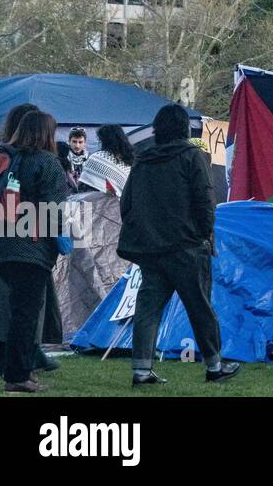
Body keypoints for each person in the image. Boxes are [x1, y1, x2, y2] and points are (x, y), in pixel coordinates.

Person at [117, 104, 240, 386]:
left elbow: (127, 204)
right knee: (200, 307)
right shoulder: (193, 156)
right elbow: (204, 200)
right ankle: (214, 365)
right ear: (184, 128)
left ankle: (141, 370)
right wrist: (205, 234)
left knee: (147, 309)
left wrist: (144, 231)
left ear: (157, 129)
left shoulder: (143, 160)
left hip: (150, 249)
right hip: (186, 247)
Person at [0, 110, 70, 394]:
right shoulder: (47, 162)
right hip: (30, 248)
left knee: (15, 312)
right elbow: (55, 211)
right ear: (46, 133)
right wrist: (60, 240)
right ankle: (18, 376)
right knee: (26, 315)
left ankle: (18, 371)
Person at [79, 124, 136, 196]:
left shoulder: (97, 157)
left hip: (97, 203)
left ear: (104, 140)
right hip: (121, 204)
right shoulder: (130, 160)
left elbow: (84, 183)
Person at [57, 128, 87, 193]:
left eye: (80, 142)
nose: (77, 146)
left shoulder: (89, 158)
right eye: (74, 142)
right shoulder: (62, 156)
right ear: (69, 142)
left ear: (85, 143)